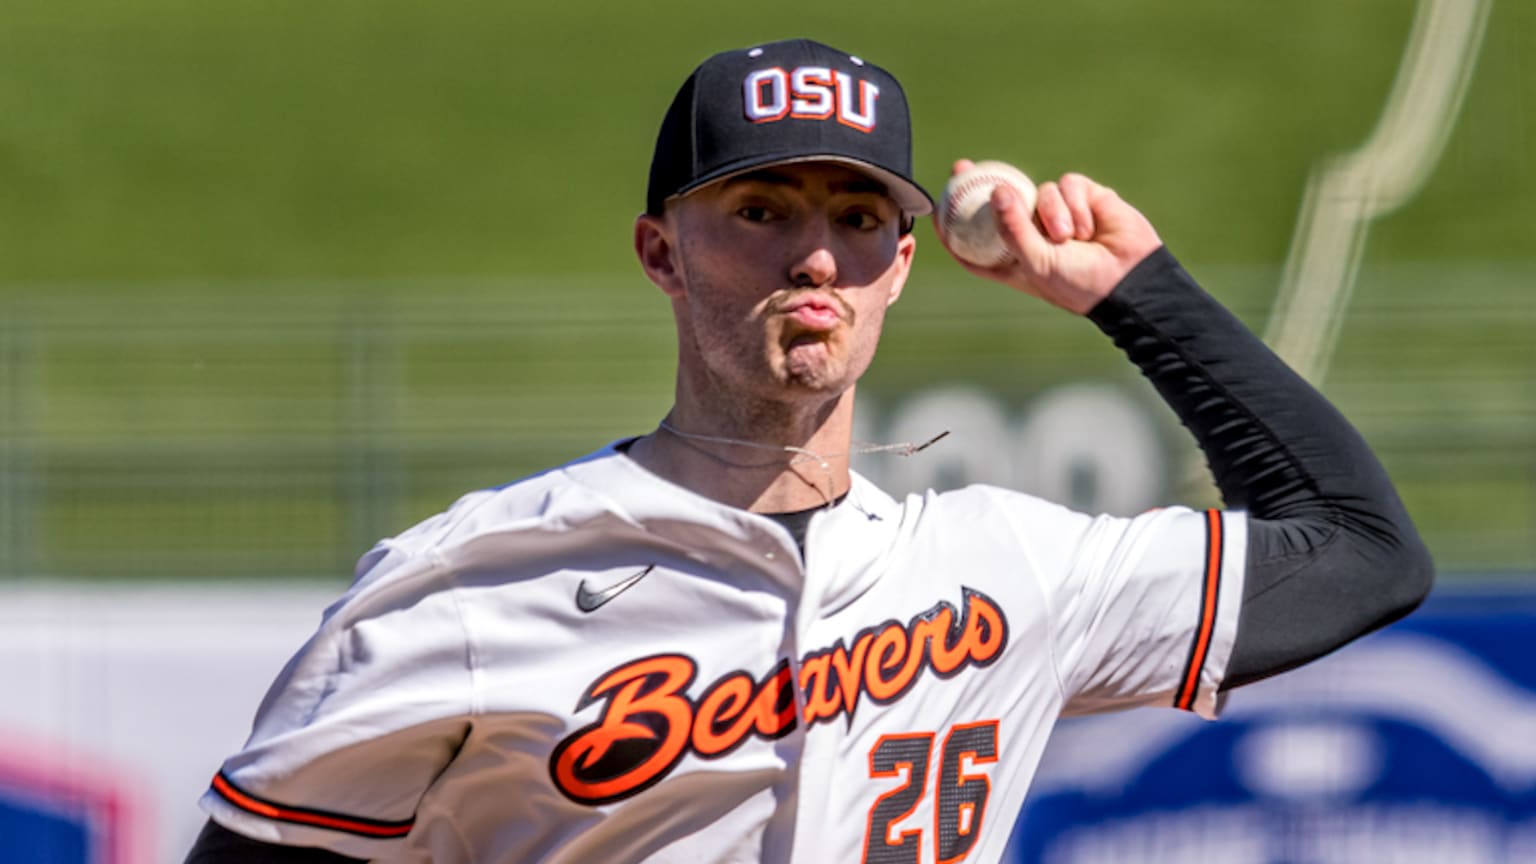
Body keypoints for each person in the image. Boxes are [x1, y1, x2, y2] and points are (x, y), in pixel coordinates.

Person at [184, 37, 1432, 863]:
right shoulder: (469, 584)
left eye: (855, 214)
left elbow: (1362, 553)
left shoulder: (1009, 568)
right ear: (662, 254)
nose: (815, 255)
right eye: (761, 210)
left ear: (902, 262)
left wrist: (1134, 292)